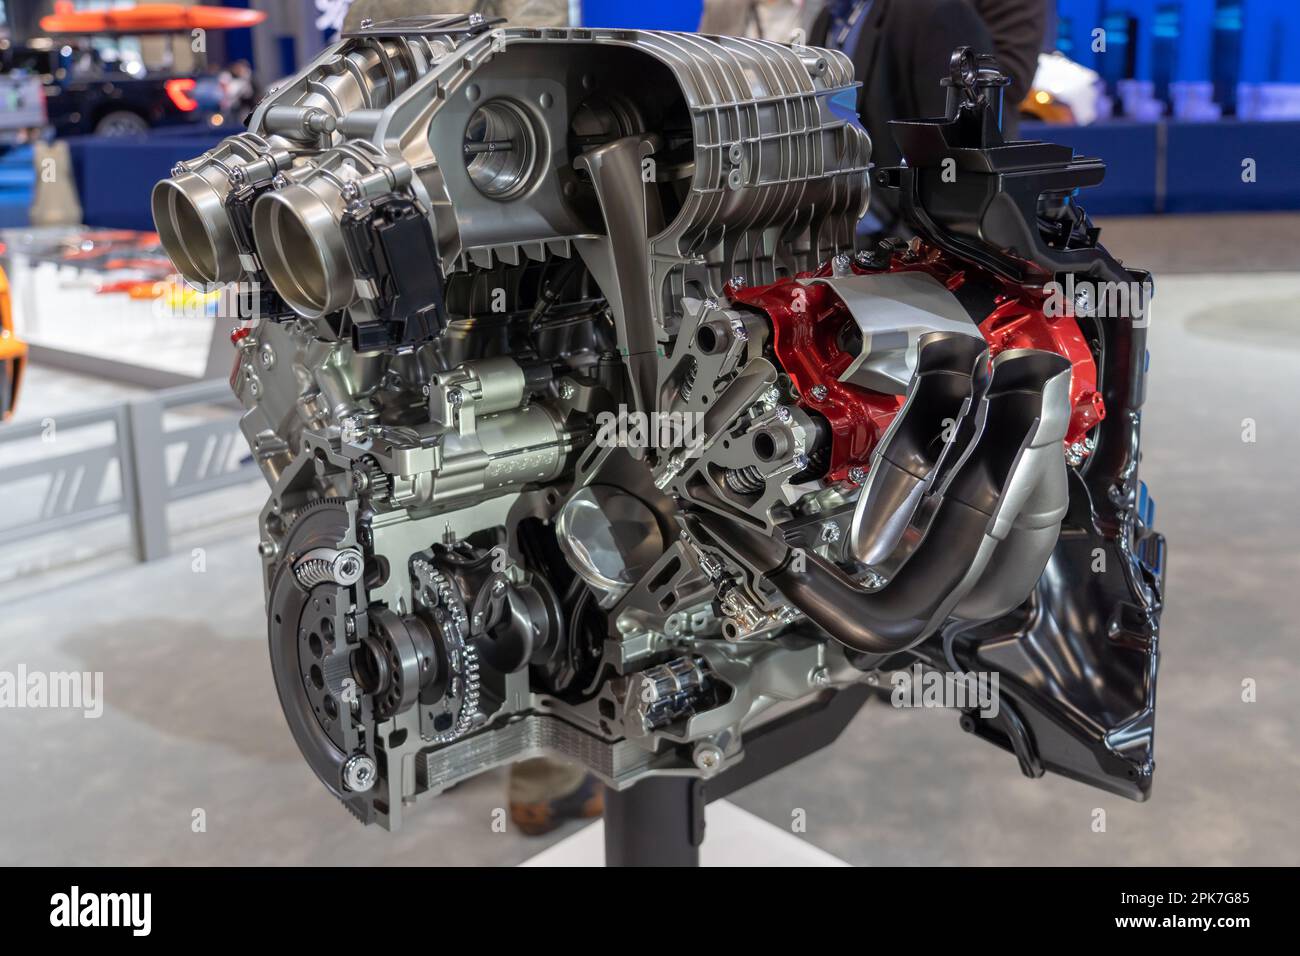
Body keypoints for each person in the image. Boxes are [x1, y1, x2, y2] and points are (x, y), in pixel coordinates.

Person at [804, 0, 1046, 234]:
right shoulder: (829, 17)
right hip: (850, 213)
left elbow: (1001, 77)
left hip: (916, 223)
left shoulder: (938, 13)